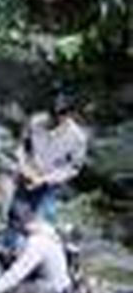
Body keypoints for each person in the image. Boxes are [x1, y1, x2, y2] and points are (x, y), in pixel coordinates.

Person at [9, 92, 88, 226]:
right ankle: (8, 240)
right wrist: (23, 166)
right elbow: (23, 145)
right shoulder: (36, 121)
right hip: (28, 171)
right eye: (53, 112)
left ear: (69, 115)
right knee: (14, 211)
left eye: (61, 114)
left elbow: (73, 167)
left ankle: (26, 240)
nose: (56, 117)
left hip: (50, 182)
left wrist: (45, 179)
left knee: (34, 220)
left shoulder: (77, 138)